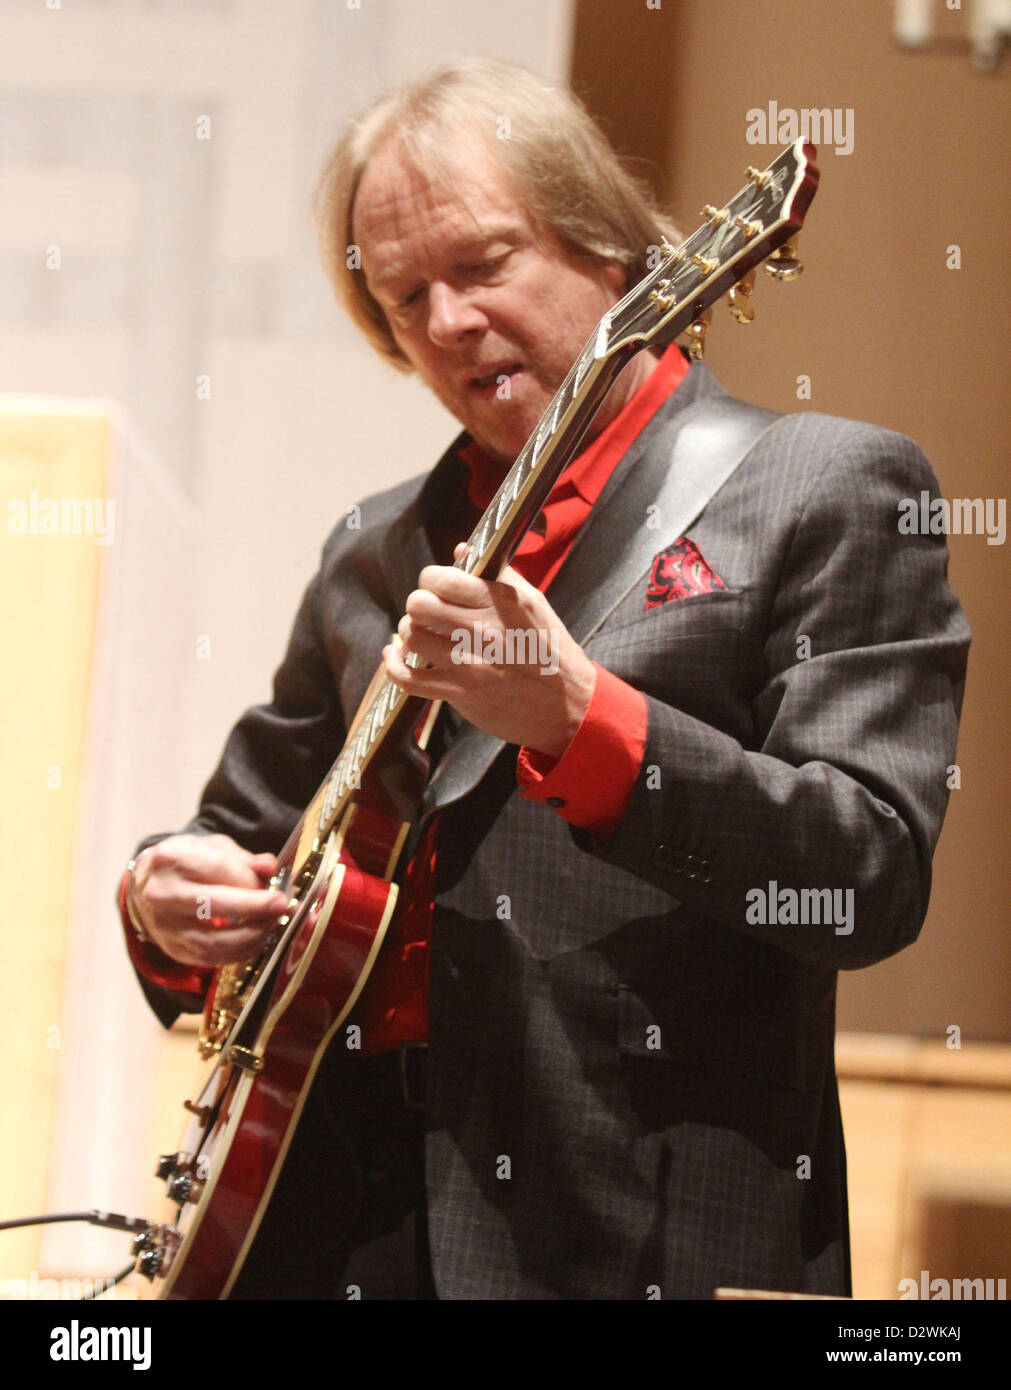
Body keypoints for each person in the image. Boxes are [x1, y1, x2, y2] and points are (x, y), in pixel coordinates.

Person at [119, 58, 970, 1300]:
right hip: (321, 1214)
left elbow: (865, 876)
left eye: (483, 263)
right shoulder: (374, 547)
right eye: (407, 297)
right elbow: (240, 829)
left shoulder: (823, 490)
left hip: (627, 1232)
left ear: (609, 245)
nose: (449, 321)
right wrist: (165, 892)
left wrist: (585, 724)